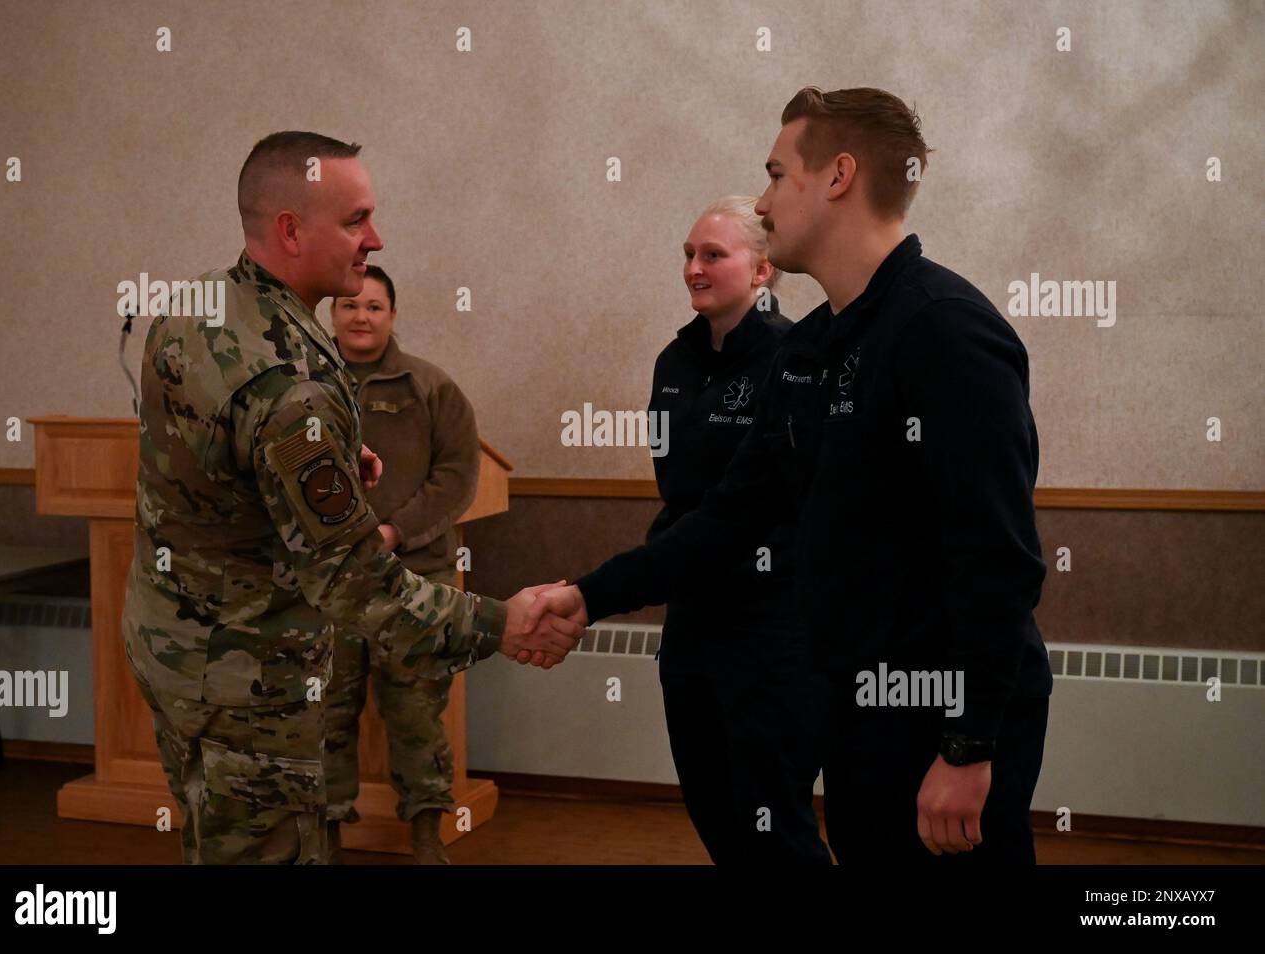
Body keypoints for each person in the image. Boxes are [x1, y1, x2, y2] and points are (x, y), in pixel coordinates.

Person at [528, 88, 1053, 865]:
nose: (765, 201)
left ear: (838, 176)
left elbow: (998, 556)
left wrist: (969, 745)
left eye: (777, 175)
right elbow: (729, 515)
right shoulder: (812, 351)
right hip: (855, 708)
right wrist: (586, 594)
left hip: (941, 722)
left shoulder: (943, 328)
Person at [122, 130, 581, 865]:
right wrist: (501, 623)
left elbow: (199, 448)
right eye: (356, 219)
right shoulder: (289, 386)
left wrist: (314, 457)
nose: (377, 237)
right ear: (291, 230)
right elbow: (356, 583)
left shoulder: (194, 306)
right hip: (249, 686)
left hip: (171, 650)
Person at [648, 196, 829, 864]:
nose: (694, 268)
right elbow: (680, 494)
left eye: (713, 255)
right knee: (712, 805)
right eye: (689, 255)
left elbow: (786, 502)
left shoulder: (796, 358)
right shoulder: (674, 363)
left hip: (772, 625)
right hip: (694, 617)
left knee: (773, 821)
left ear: (761, 270)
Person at [324, 264, 480, 864]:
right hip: (326, 581)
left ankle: (425, 839)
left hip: (415, 579)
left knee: (415, 712)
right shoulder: (304, 384)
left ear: (392, 315)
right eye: (349, 306)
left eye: (374, 307)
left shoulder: (431, 387)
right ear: (331, 315)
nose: (361, 317)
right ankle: (328, 834)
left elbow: (457, 479)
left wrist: (393, 532)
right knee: (326, 710)